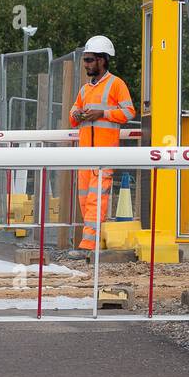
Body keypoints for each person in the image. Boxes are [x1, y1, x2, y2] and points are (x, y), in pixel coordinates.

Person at [68, 35, 135, 253]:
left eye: (89, 60)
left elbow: (128, 112)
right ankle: (91, 242)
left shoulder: (117, 84)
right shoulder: (85, 89)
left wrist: (102, 113)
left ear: (102, 60)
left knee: (96, 201)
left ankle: (89, 246)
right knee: (85, 200)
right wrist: (77, 114)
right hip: (84, 155)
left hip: (104, 154)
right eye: (85, 60)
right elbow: (72, 115)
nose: (86, 64)